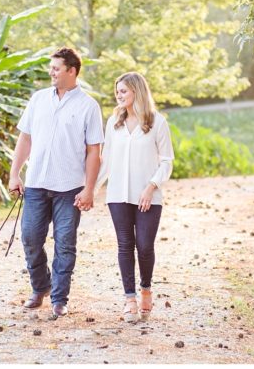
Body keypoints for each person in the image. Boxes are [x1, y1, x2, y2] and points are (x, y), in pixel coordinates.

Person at [8, 47, 104, 318]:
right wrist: (14, 174)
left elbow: (94, 151)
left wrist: (89, 189)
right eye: (51, 68)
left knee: (65, 243)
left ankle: (59, 298)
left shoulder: (88, 106)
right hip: (36, 183)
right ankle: (41, 287)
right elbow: (25, 139)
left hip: (70, 189)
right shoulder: (38, 99)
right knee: (29, 238)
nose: (51, 72)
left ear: (72, 71)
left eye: (56, 68)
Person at [95, 72, 174, 323]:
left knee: (145, 246)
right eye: (117, 91)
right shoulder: (113, 123)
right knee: (124, 245)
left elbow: (167, 161)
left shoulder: (157, 122)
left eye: (124, 91)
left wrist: (151, 187)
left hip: (148, 197)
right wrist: (91, 189)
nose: (118, 95)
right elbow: (106, 161)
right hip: (118, 195)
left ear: (137, 92)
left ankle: (146, 289)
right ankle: (130, 299)